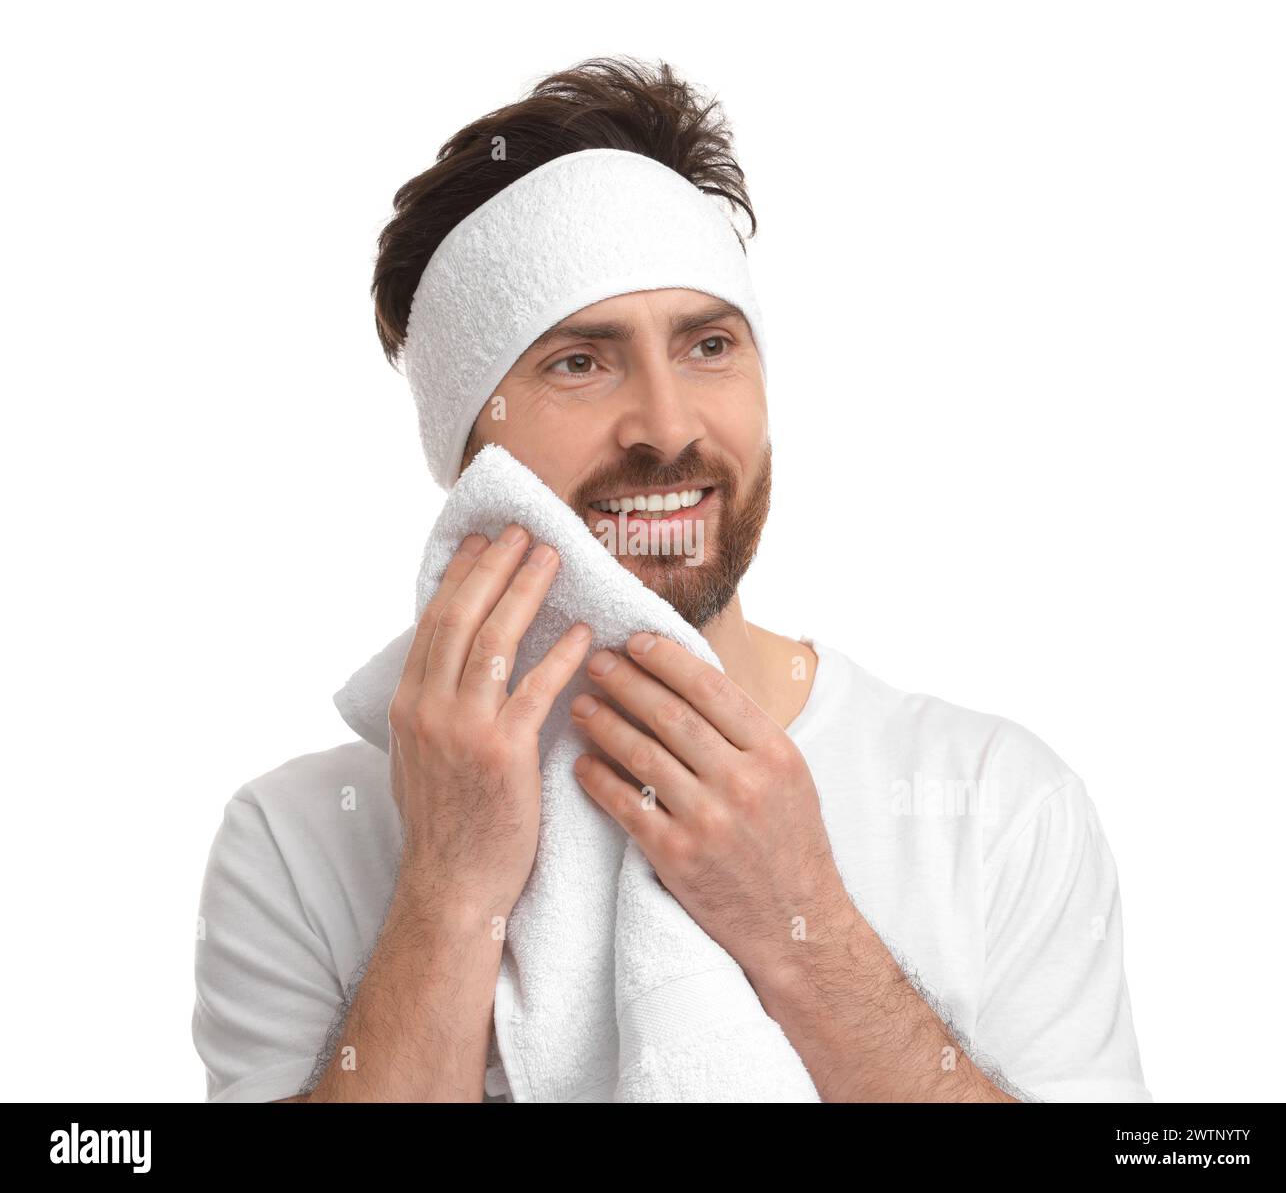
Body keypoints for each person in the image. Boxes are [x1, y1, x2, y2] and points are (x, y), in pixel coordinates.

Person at [192, 55, 1152, 1104]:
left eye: (707, 345)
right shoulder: (298, 839)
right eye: (579, 361)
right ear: (474, 458)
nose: (668, 427)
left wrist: (804, 927)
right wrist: (449, 890)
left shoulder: (993, 801)